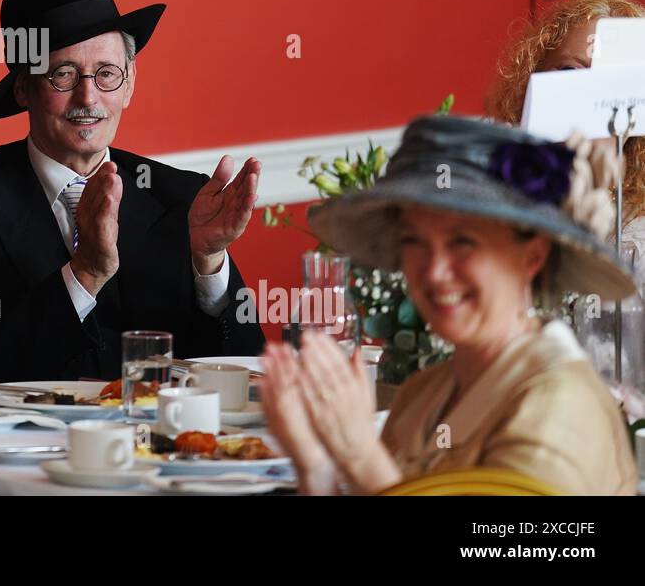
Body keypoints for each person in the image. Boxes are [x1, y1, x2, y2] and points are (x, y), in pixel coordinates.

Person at [260, 114, 638, 495]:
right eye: (414, 242)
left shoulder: (561, 409)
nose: (435, 272)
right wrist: (317, 468)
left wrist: (360, 456)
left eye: (463, 242)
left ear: (533, 256)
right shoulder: (423, 395)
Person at [0, 0, 265, 384]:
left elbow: (243, 371)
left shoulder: (182, 199)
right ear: (23, 88)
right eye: (63, 75)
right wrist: (83, 276)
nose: (89, 97)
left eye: (107, 74)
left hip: (161, 446)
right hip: (18, 447)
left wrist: (209, 264)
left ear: (130, 83)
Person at [487, 0, 645, 389]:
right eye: (570, 74)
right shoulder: (490, 202)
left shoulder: (636, 235)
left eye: (607, 81)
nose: (587, 96)